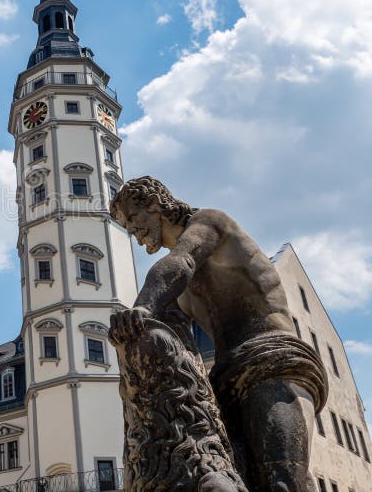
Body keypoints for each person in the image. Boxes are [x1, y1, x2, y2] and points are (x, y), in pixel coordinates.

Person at [110, 176, 327, 492]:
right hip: (225, 382)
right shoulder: (177, 292)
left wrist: (142, 307)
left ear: (154, 204)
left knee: (280, 482)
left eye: (132, 218)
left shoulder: (209, 223)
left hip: (272, 363)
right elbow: (163, 340)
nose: (133, 231)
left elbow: (180, 263)